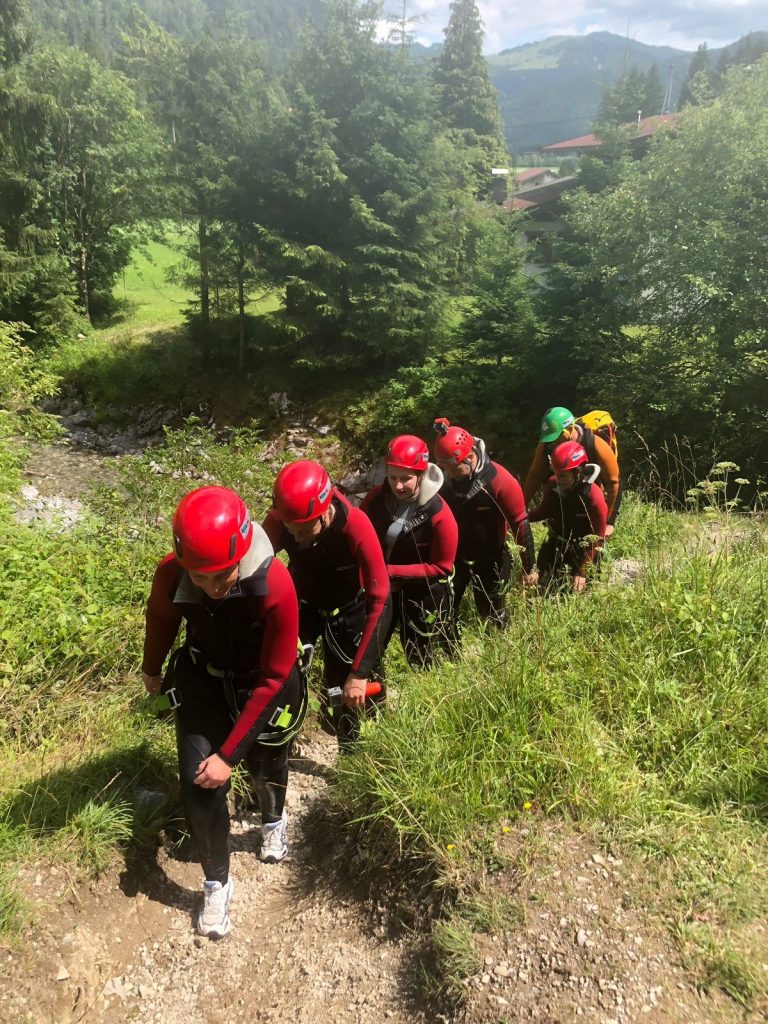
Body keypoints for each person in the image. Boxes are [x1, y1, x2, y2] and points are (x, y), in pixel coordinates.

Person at [141, 486, 301, 939]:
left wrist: (230, 755)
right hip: (203, 679)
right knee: (198, 782)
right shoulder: (173, 575)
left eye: (221, 575)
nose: (211, 588)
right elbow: (161, 618)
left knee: (267, 757)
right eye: (201, 576)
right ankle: (217, 883)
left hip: (262, 680)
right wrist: (152, 669)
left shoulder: (276, 585)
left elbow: (274, 677)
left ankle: (273, 820)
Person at [263, 460, 392, 747]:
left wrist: (359, 674)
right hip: (305, 606)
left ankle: (361, 747)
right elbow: (256, 569)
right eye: (289, 528)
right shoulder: (280, 519)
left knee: (351, 687)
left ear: (324, 513)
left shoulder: (355, 526)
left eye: (303, 530)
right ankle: (281, 739)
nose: (295, 538)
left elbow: (381, 598)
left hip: (350, 608)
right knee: (284, 671)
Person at [360, 434, 458, 667]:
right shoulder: (376, 498)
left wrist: (387, 572)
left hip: (423, 592)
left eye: (406, 478)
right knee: (371, 652)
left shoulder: (439, 513)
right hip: (383, 587)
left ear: (421, 476)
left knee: (419, 655)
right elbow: (359, 534)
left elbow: (441, 567)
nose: (398, 485)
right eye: (392, 477)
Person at [433, 418, 537, 628]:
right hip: (456, 558)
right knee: (443, 609)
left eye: (454, 469)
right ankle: (449, 653)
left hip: (492, 557)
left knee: (491, 612)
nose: (450, 475)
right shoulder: (447, 480)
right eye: (445, 469)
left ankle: (501, 650)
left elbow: (520, 524)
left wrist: (529, 568)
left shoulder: (499, 480)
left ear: (470, 457)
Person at [523, 407, 621, 535]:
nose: (553, 444)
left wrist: (607, 522)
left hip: (593, 497)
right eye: (550, 440)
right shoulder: (548, 444)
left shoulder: (595, 445)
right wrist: (519, 509)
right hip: (565, 494)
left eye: (556, 438)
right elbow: (534, 475)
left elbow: (614, 482)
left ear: (569, 430)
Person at [528, 442, 607, 594]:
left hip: (583, 551)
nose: (557, 478)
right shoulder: (553, 485)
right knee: (543, 591)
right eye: (556, 473)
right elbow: (543, 511)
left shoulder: (593, 497)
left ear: (578, 472)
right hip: (555, 546)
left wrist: (582, 571)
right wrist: (520, 517)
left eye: (563, 475)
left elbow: (598, 537)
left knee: (577, 595)